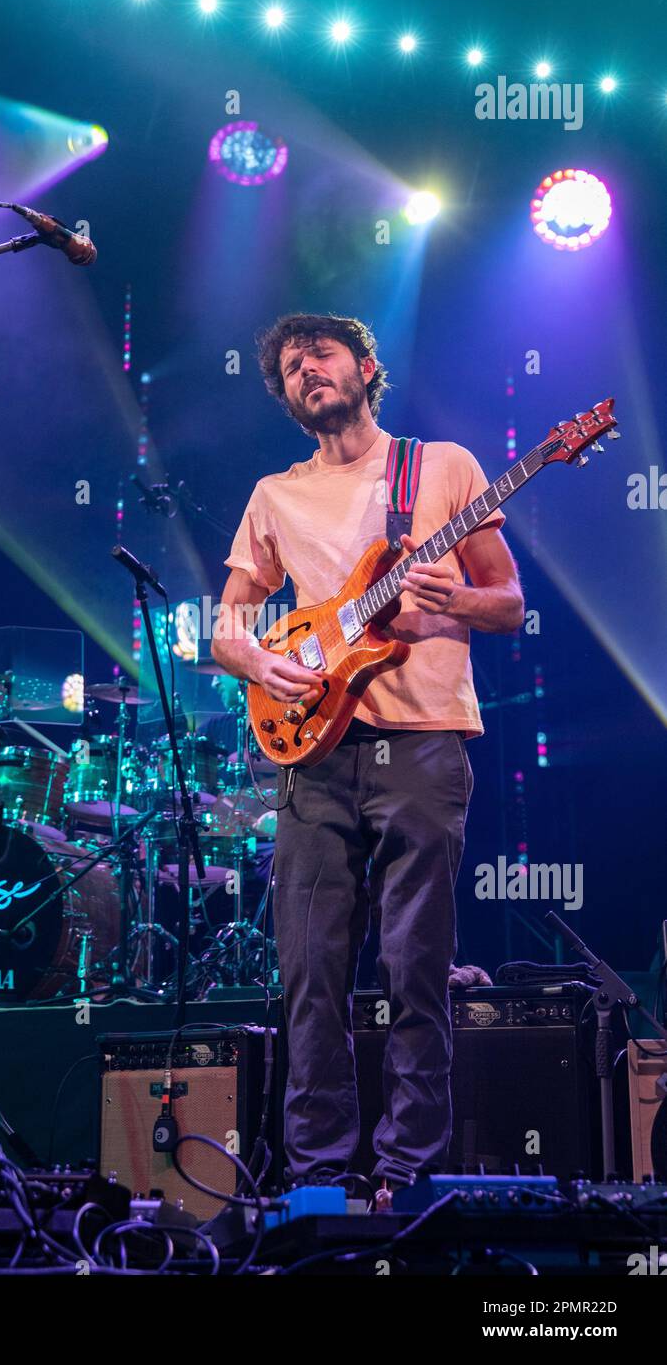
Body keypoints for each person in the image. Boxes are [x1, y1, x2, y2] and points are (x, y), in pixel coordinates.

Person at [210, 312, 524, 1204]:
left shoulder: (445, 468)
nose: (305, 370)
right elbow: (228, 623)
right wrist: (258, 659)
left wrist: (452, 600)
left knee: (413, 966)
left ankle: (405, 1176)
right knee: (311, 974)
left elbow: (505, 603)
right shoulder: (275, 495)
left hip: (424, 741)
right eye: (288, 367)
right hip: (316, 751)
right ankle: (315, 1181)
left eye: (320, 355)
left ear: (365, 367)